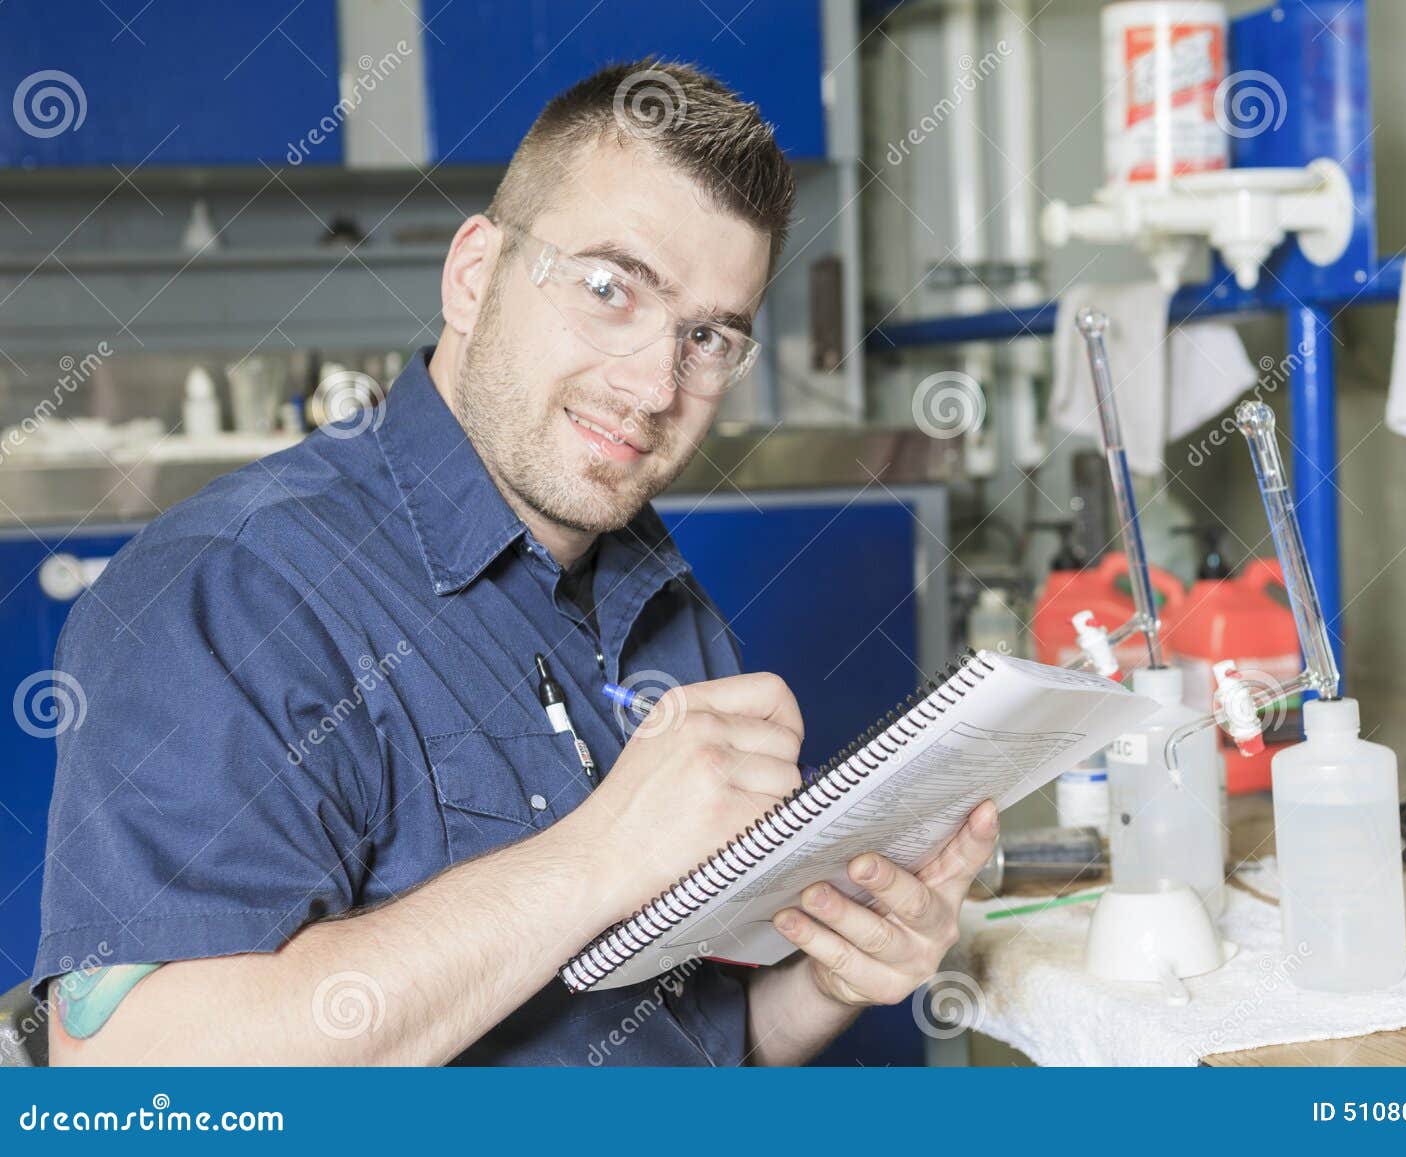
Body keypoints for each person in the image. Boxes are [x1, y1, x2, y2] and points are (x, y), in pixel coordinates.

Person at [35, 59, 998, 1066]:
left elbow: (679, 1043)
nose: (652, 385)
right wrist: (602, 852)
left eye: (707, 335)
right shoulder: (235, 588)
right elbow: (137, 1081)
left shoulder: (662, 604)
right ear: (473, 274)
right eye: (608, 288)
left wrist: (828, 980)